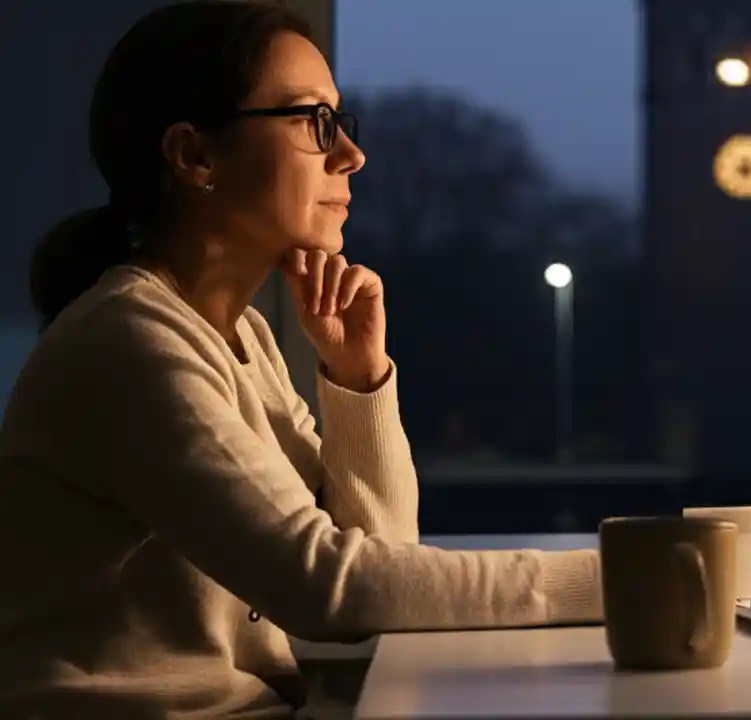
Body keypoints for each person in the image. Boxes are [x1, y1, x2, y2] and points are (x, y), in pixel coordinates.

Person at [0, 2, 602, 717]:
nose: (351, 155)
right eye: (313, 121)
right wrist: (619, 578)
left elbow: (378, 557)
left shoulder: (240, 336)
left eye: (342, 123)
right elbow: (328, 589)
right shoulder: (129, 340)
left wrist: (357, 380)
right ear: (195, 156)